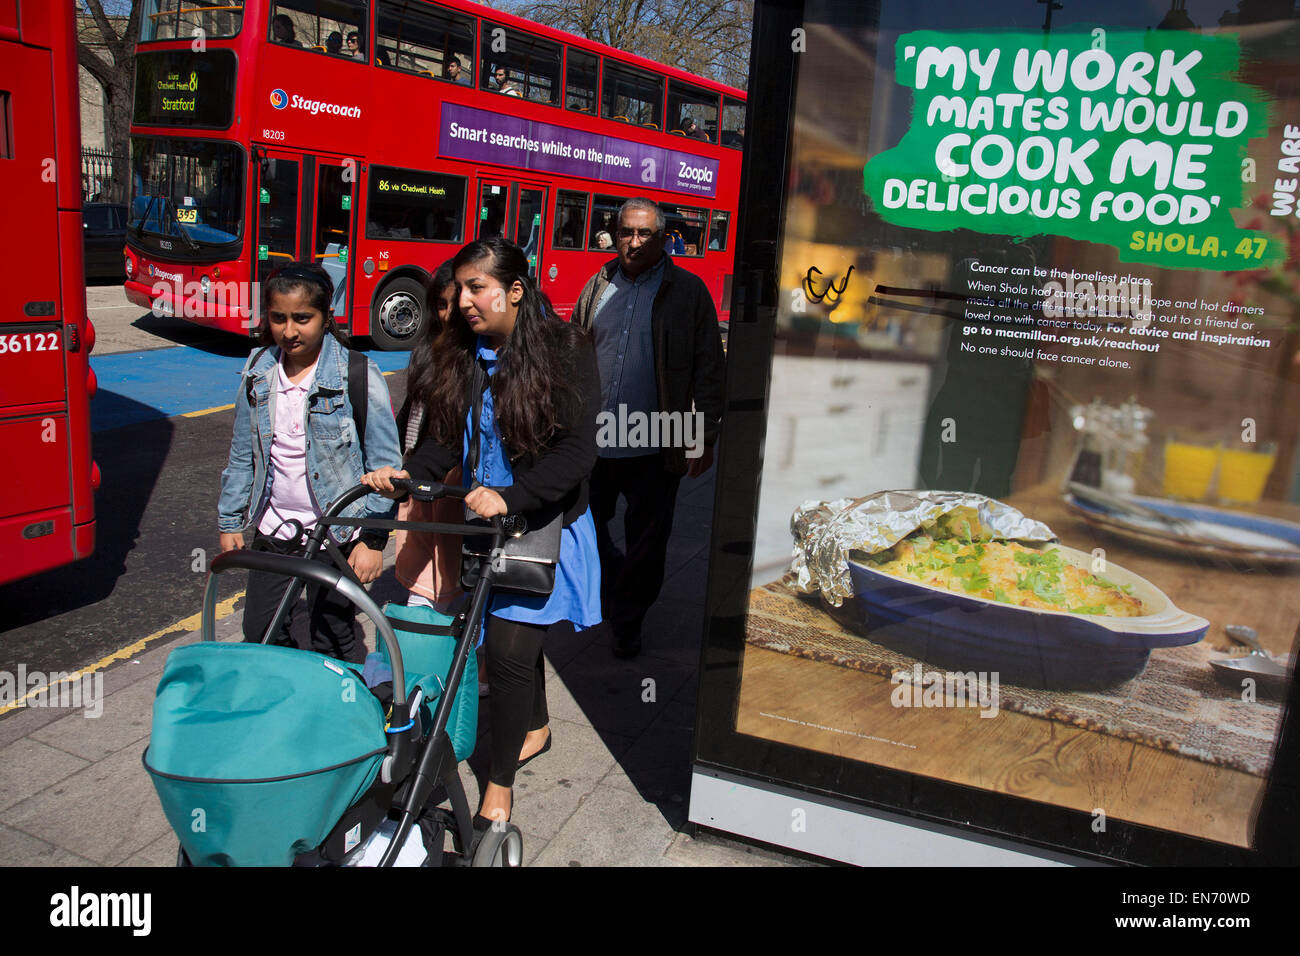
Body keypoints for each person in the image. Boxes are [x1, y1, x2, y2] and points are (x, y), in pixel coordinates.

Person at [363, 239, 601, 829]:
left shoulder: (566, 349)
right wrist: (408, 478)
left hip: (540, 524)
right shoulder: (465, 354)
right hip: (480, 525)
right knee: (510, 639)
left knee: (509, 649)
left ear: (515, 291)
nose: (464, 301)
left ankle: (500, 780)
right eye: (460, 289)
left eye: (476, 288)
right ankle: (537, 726)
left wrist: (511, 496)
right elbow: (444, 439)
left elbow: (578, 451)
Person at [218, 262, 402, 663]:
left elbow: (387, 467)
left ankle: (341, 712)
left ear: (325, 318)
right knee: (261, 632)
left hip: (338, 533)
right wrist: (230, 521)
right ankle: (285, 701)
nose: (289, 331)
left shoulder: (357, 373)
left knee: (333, 635)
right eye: (278, 318)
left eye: (303, 318)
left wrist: (372, 540)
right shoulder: (259, 369)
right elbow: (243, 452)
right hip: (276, 527)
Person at [571, 198, 725, 658]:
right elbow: (573, 355)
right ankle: (614, 584)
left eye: (645, 235)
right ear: (615, 234)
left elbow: (708, 370)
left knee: (648, 541)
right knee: (583, 527)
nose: (634, 243)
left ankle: (629, 619)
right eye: (626, 233)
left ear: (663, 239)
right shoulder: (597, 285)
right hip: (595, 441)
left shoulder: (689, 292)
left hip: (656, 441)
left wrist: (704, 436)